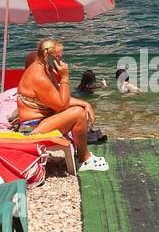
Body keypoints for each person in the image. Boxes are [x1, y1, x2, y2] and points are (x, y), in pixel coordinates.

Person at [16, 39, 108, 172]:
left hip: (40, 122)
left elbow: (57, 98)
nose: (62, 61)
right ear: (49, 57)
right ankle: (84, 159)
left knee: (80, 109)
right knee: (78, 114)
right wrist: (65, 78)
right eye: (59, 57)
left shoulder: (44, 68)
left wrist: (85, 103)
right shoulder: (39, 76)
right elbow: (61, 105)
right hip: (31, 129)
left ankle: (81, 156)